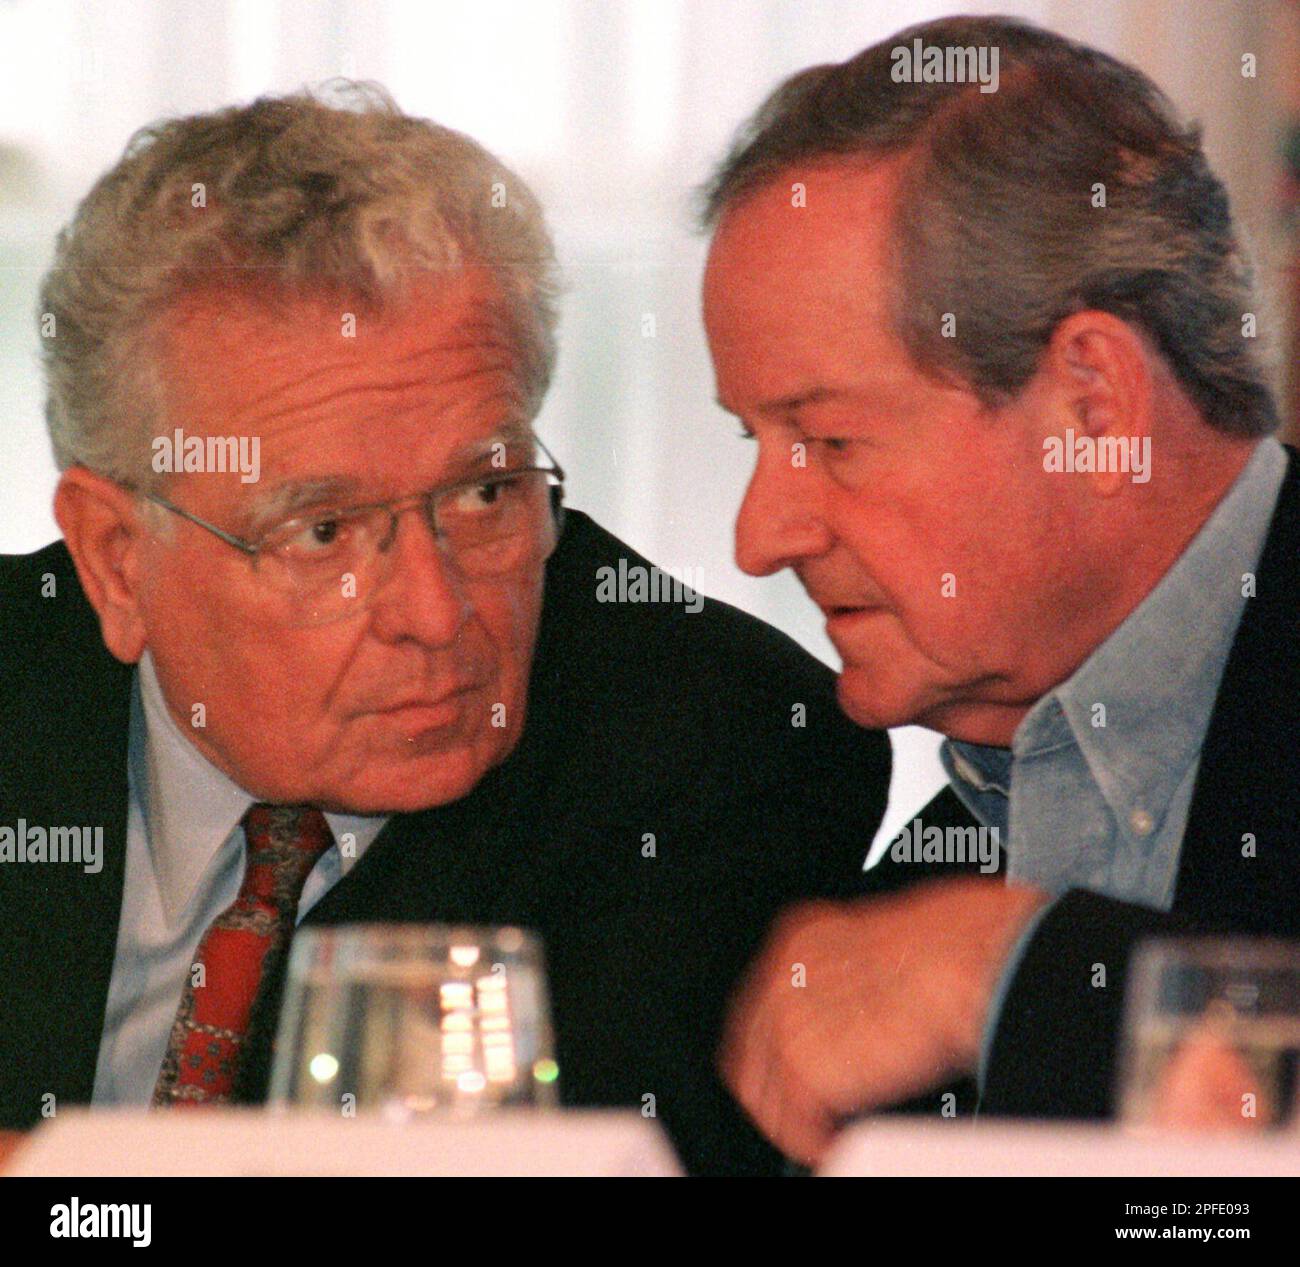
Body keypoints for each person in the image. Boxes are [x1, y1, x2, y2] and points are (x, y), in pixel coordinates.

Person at [0, 84, 888, 1176]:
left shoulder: (714, 746)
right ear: (115, 559)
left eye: (484, 496)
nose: (435, 613)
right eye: (322, 530)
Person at [700, 15, 1298, 1165]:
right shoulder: (904, 865)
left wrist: (1014, 974)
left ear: (1093, 404)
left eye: (830, 438)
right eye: (752, 440)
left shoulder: (952, 939)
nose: (757, 537)